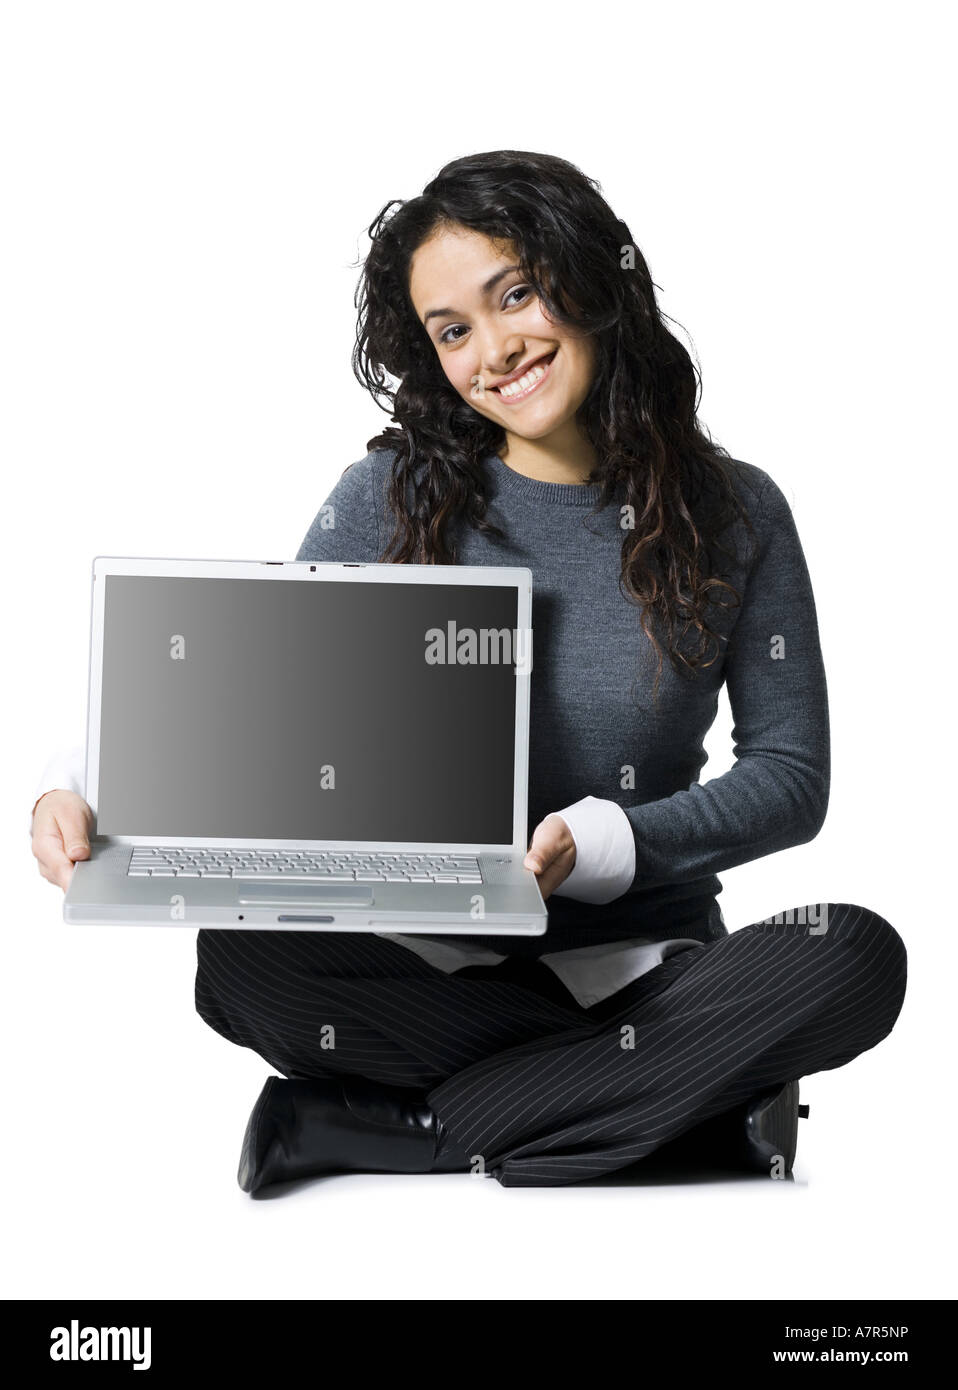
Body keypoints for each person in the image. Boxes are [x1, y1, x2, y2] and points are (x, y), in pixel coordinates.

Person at [31, 149, 907, 1192]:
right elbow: (251, 694)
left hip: (643, 970)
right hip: (428, 962)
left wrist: (610, 839)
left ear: (590, 278)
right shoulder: (388, 497)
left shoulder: (738, 511)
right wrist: (81, 784)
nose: (494, 350)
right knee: (240, 959)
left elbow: (790, 776)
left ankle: (407, 1125)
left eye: (517, 294)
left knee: (850, 954)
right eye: (453, 330)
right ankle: (678, 1116)